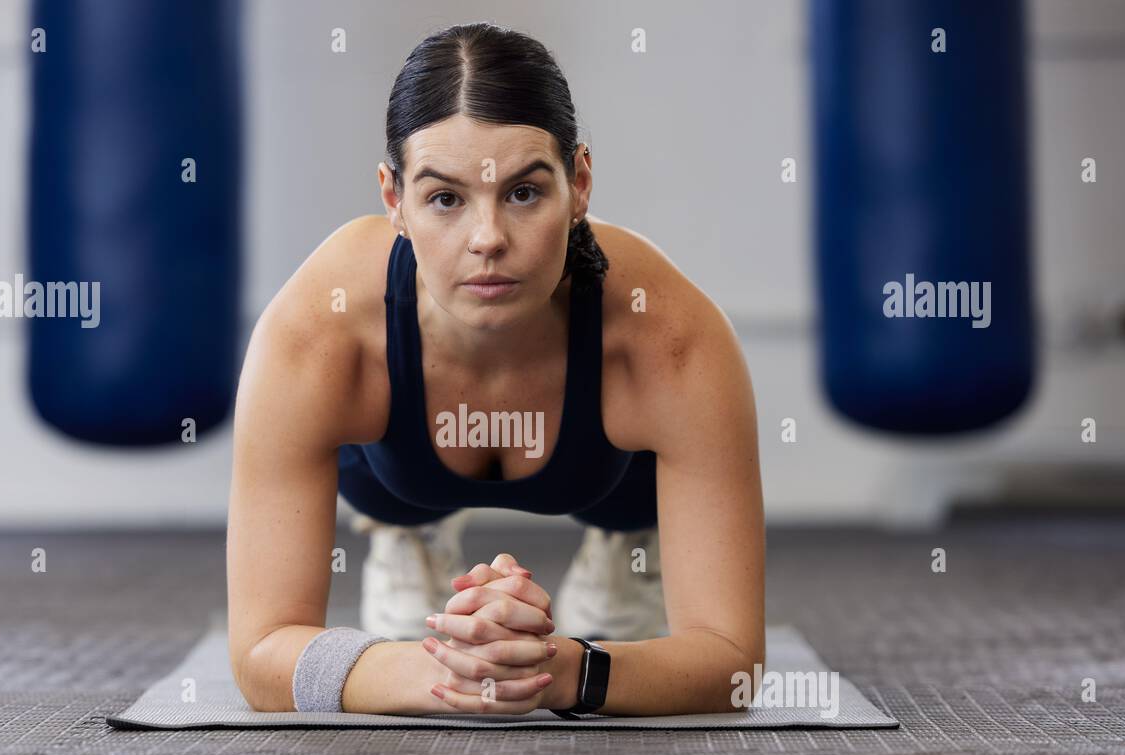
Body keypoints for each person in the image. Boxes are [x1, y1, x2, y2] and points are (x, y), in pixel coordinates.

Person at [227, 22, 765, 717]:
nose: (487, 239)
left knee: (634, 494)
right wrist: (455, 669)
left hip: (610, 478)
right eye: (445, 198)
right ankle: (405, 533)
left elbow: (732, 663)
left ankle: (628, 544)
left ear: (580, 184)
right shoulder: (318, 330)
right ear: (394, 199)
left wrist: (565, 667)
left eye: (522, 193)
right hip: (397, 473)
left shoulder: (669, 337)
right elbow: (258, 651)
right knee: (391, 475)